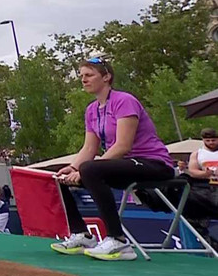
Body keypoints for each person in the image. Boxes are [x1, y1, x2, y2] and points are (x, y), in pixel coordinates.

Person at [50, 58, 175, 261]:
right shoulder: (91, 110)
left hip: (152, 163)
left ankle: (118, 241)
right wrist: (73, 167)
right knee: (58, 176)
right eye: (81, 76)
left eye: (89, 75)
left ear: (106, 77)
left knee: (90, 170)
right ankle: (82, 235)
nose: (83, 80)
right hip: (122, 166)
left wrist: (83, 170)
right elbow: (89, 147)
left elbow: (122, 146)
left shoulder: (124, 100)